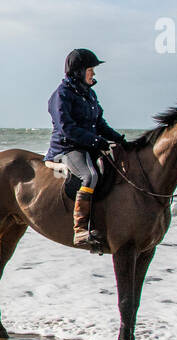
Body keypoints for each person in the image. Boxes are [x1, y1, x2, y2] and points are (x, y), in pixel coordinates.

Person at [45, 48, 126, 249]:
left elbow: (100, 124)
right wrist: (95, 141)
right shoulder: (62, 94)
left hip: (87, 145)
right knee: (90, 176)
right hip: (67, 147)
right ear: (79, 71)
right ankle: (80, 229)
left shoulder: (89, 94)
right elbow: (67, 128)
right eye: (91, 69)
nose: (94, 74)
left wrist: (120, 140)